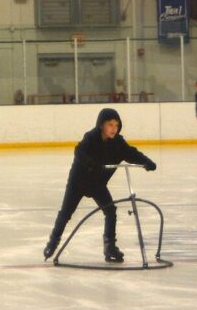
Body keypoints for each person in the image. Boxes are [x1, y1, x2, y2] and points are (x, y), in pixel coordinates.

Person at [43, 108, 157, 263]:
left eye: (116, 125)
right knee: (66, 213)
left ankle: (109, 247)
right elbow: (79, 152)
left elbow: (131, 153)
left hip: (97, 184)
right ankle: (52, 242)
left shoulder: (118, 143)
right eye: (110, 125)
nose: (114, 129)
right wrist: (91, 164)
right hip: (79, 182)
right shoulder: (91, 137)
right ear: (101, 125)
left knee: (110, 211)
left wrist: (146, 162)